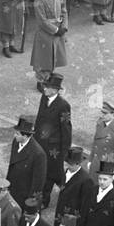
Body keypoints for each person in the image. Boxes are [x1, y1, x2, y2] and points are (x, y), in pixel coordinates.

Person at [35, 74, 72, 206]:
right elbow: (39, 119)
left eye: (47, 87)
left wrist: (64, 151)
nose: (44, 89)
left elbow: (66, 130)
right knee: (40, 171)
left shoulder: (63, 106)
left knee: (49, 174)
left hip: (53, 149)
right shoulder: (44, 98)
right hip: (40, 142)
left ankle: (45, 200)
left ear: (55, 90)